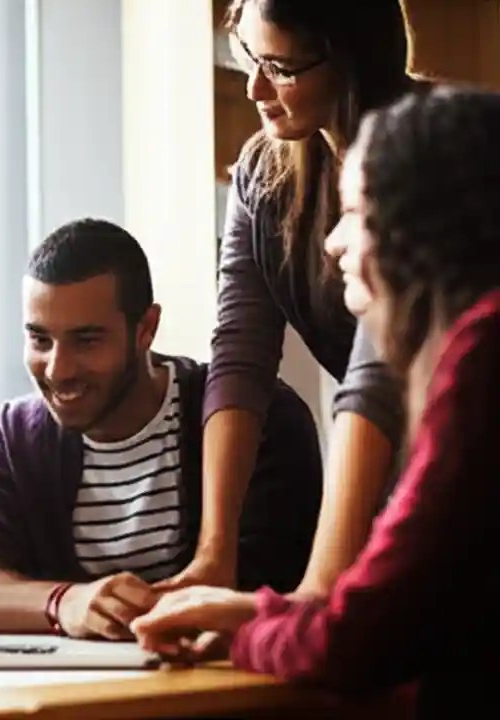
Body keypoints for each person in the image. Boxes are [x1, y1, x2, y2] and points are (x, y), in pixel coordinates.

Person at [132, 87, 500, 717]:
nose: (332, 242)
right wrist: (264, 612)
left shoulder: (483, 359)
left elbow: (356, 640)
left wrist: (250, 632)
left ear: (418, 227)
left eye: (355, 211)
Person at [0, 219, 322, 640]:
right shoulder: (13, 436)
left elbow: (275, 592)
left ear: (146, 328)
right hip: (72, 702)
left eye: (86, 341)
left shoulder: (262, 419)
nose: (58, 370)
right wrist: (65, 601)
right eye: (40, 340)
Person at [178, 0, 419, 595]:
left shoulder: (424, 153)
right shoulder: (264, 174)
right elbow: (239, 355)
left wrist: (315, 595)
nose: (256, 87)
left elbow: (376, 384)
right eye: (249, 56)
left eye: (282, 69)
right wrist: (215, 553)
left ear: (350, 60)